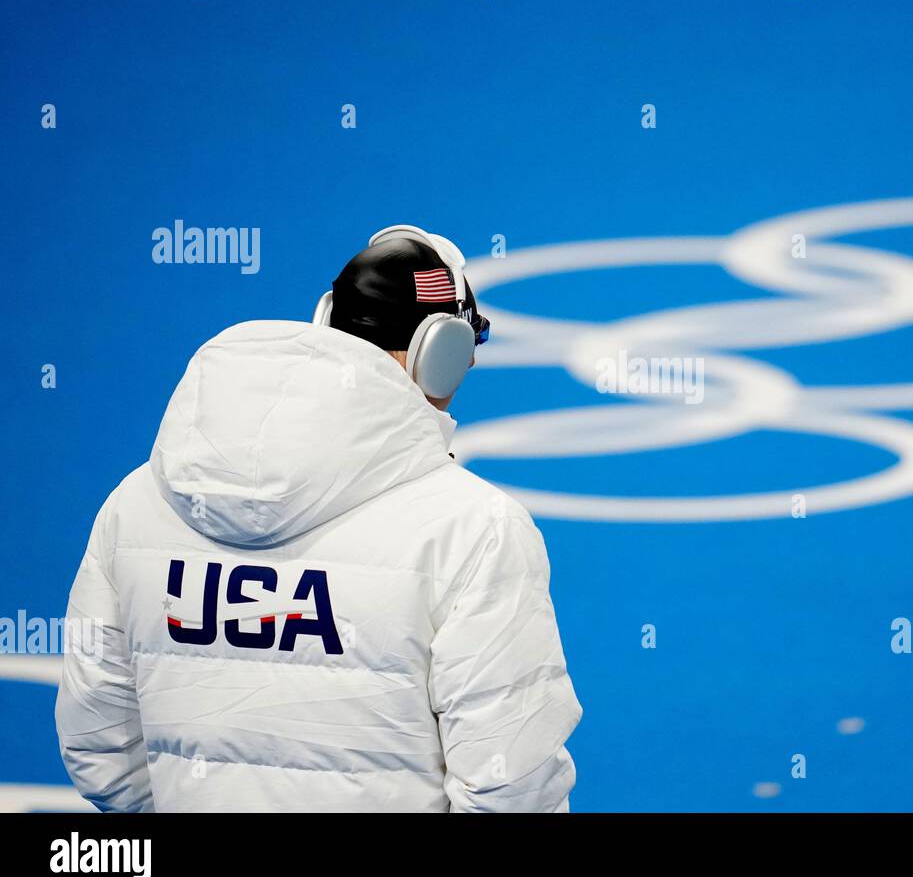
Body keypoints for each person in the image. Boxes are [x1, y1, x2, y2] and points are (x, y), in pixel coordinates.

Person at [54, 226, 582, 812]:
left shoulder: (133, 506)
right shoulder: (476, 529)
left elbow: (99, 750)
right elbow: (511, 789)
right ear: (445, 351)